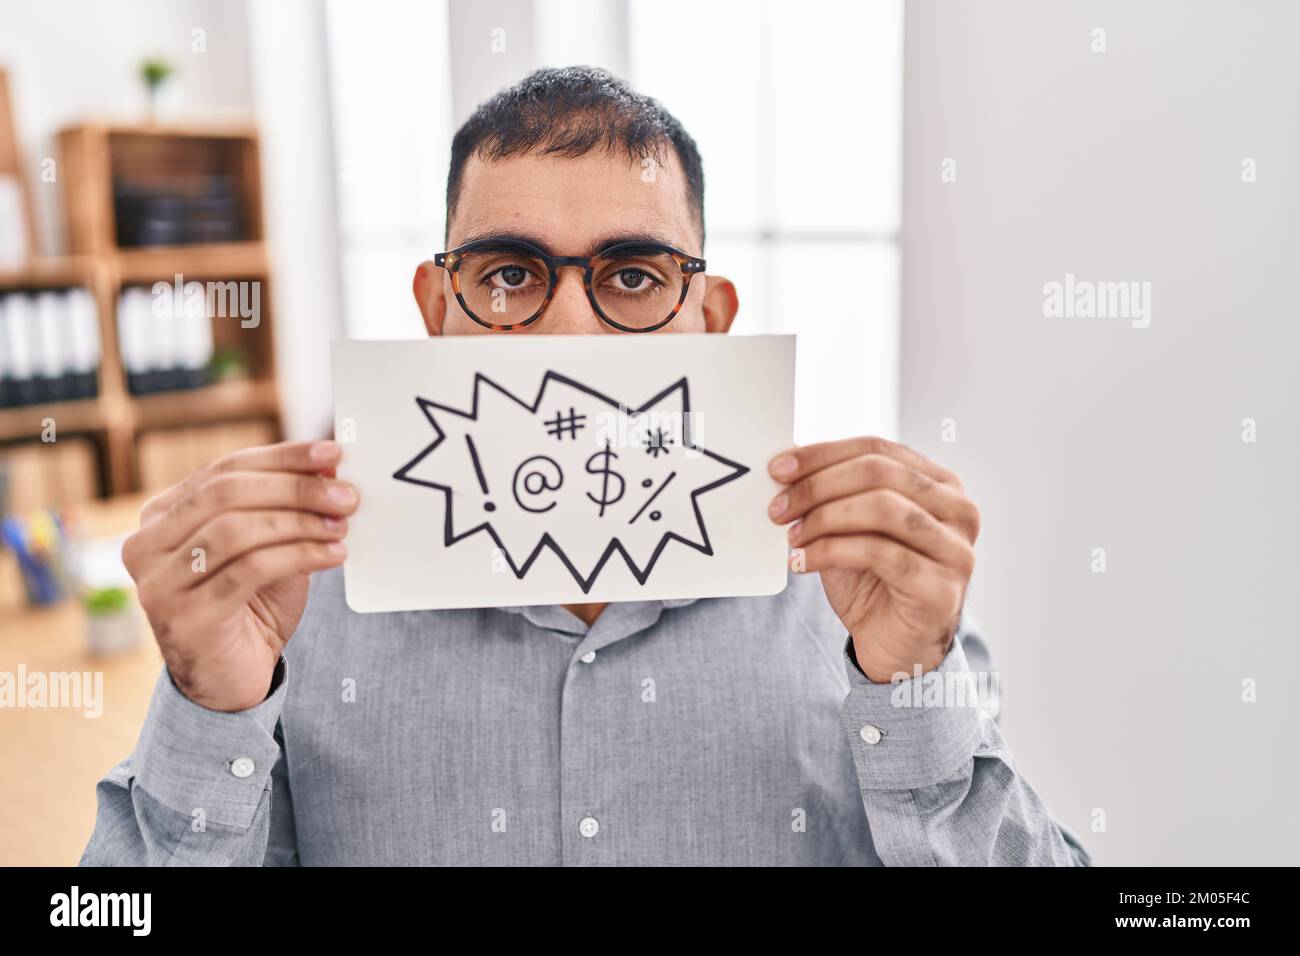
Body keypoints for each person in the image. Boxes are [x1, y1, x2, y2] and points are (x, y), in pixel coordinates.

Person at [82, 67, 1088, 866]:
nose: (567, 326)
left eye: (635, 276)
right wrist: (211, 708)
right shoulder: (292, 608)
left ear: (708, 318)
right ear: (438, 314)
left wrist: (911, 691)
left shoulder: (857, 600)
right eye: (509, 274)